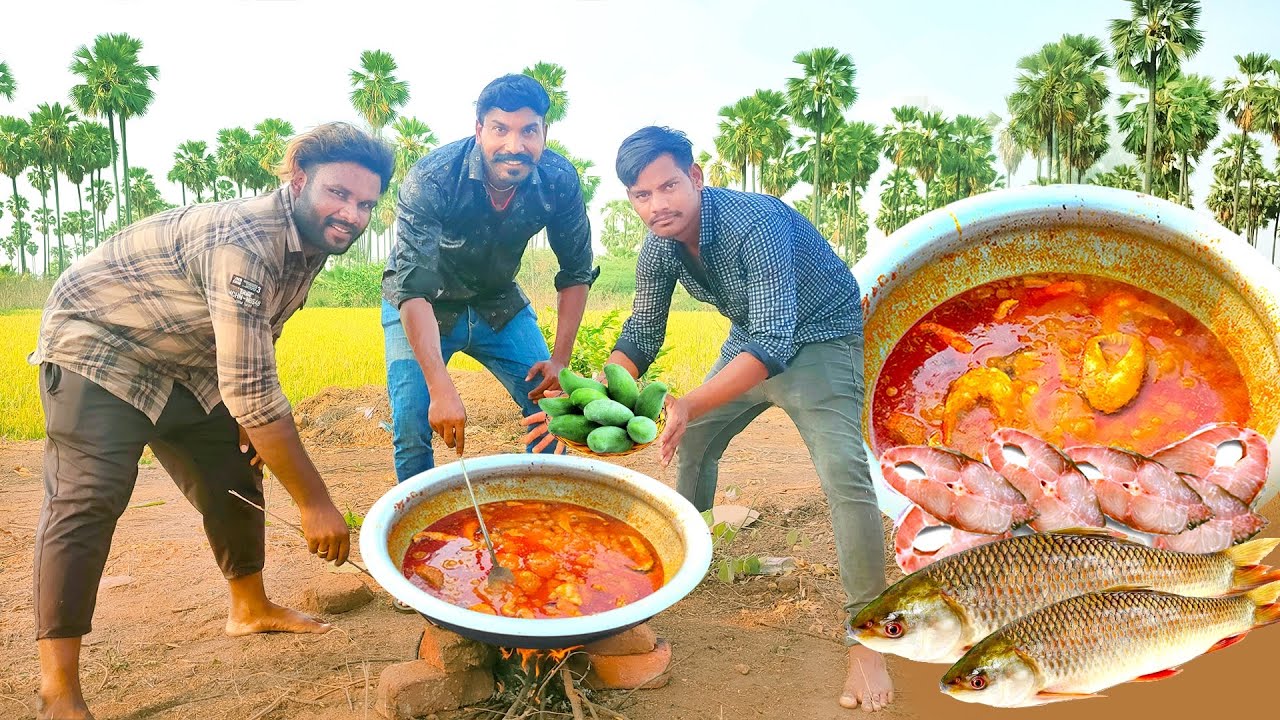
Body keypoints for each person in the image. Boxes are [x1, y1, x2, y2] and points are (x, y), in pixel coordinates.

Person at [28, 122, 394, 720]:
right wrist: (315, 503)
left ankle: (249, 609)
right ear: (299, 180)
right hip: (101, 345)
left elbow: (264, 330)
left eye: (366, 204)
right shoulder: (244, 241)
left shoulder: (310, 241)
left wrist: (248, 421)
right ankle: (58, 688)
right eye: (339, 193)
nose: (352, 215)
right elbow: (252, 390)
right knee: (87, 500)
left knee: (234, 473)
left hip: (189, 361)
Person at [527, 125, 894, 711]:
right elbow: (642, 332)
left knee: (844, 477)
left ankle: (867, 638)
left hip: (822, 340)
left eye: (668, 186)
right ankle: (688, 563)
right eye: (642, 195)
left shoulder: (756, 224)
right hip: (752, 338)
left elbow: (775, 342)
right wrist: (593, 396)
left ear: (695, 178)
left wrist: (691, 400)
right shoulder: (661, 245)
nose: (657, 204)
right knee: (694, 441)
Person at [381, 73, 597, 482]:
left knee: (552, 407)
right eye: (500, 129)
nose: (514, 145)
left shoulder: (559, 180)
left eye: (528, 131)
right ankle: (416, 520)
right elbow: (413, 287)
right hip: (423, 301)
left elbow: (575, 272)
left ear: (544, 133)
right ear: (479, 129)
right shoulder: (434, 178)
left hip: (497, 301)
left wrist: (561, 360)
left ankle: (545, 506)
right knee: (411, 426)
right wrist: (440, 387)